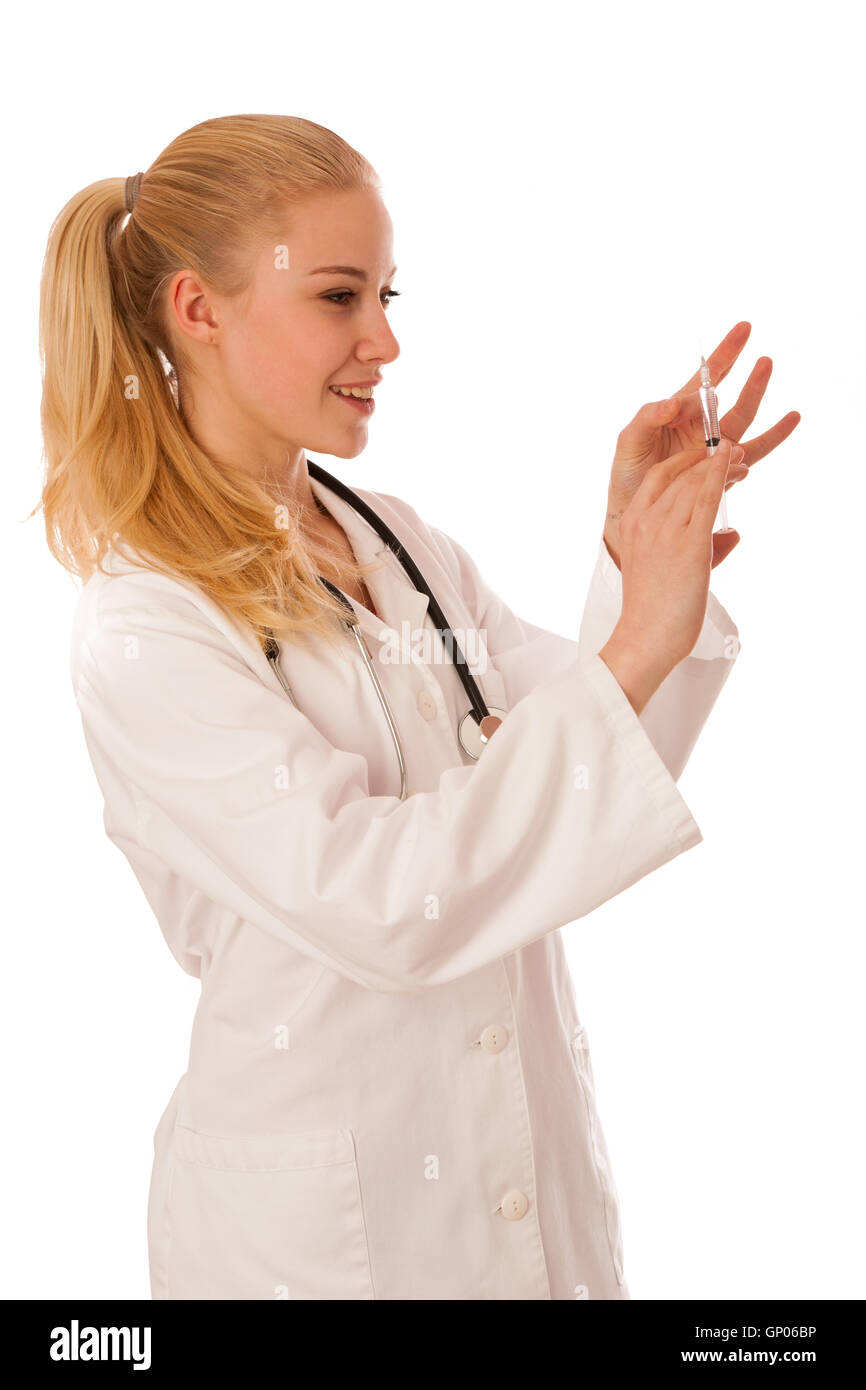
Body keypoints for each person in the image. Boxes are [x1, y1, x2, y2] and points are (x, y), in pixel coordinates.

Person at [36, 113, 799, 1301]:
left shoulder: (399, 543)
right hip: (316, 1236)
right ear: (199, 310)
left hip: (518, 1165)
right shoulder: (148, 626)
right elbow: (390, 901)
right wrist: (635, 642)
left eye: (388, 293)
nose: (385, 339)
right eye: (338, 296)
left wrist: (635, 557)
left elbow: (605, 761)